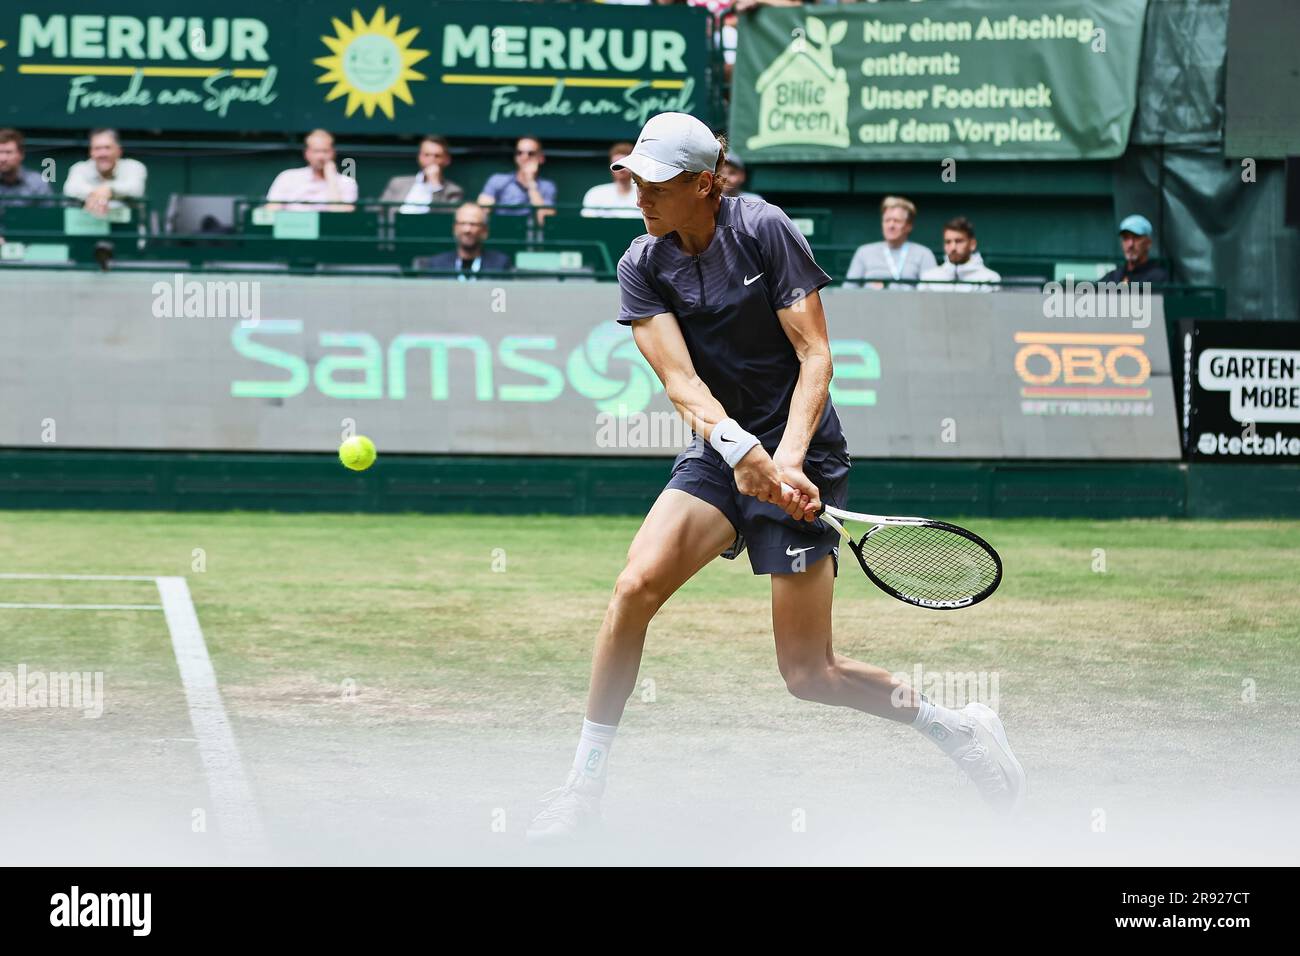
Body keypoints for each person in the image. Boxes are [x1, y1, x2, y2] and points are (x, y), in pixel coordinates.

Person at [526, 111, 1026, 844]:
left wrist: (786, 459)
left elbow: (816, 354)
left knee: (808, 674)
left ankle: (958, 728)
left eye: (657, 183)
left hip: (804, 453)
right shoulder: (641, 261)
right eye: (634, 179)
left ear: (705, 184)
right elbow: (681, 384)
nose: (640, 195)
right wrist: (741, 455)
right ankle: (582, 788)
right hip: (718, 452)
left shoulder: (763, 229)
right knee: (633, 588)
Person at [845, 196, 937, 289]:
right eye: (887, 220)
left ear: (908, 226)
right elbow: (847, 290)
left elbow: (931, 292)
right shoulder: (863, 252)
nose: (891, 225)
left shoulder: (924, 254)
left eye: (897, 221)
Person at [411, 202, 511, 279]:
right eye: (462, 223)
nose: (467, 230)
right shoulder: (437, 265)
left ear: (484, 231)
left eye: (473, 224)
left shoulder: (500, 264)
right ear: (455, 228)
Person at [265, 129, 357, 212]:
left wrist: (331, 178)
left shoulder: (347, 182)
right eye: (316, 151)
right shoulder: (287, 177)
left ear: (333, 152)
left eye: (325, 151)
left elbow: (342, 217)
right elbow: (271, 211)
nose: (320, 156)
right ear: (306, 153)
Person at [62, 129, 147, 217]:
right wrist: (96, 192)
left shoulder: (134, 166)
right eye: (97, 148)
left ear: (119, 151)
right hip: (88, 227)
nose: (103, 154)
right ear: (91, 152)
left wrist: (110, 190)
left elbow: (136, 188)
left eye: (107, 148)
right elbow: (70, 189)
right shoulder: (79, 168)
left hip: (128, 228)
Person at [477, 136, 557, 223]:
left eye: (531, 153)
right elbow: (481, 212)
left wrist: (530, 182)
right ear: (515, 157)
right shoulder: (497, 180)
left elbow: (544, 221)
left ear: (541, 158)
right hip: (502, 230)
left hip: (531, 233)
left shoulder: (547, 186)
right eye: (519, 153)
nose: (524, 157)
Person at [380, 135, 464, 214]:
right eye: (427, 155)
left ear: (447, 160)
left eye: (437, 156)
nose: (431, 159)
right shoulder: (398, 183)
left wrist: (435, 186)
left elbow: (444, 219)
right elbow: (380, 211)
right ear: (419, 157)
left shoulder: (453, 191)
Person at [918, 217, 1001, 292]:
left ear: (972, 244)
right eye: (948, 242)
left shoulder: (990, 279)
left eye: (959, 241)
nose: (953, 247)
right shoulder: (928, 278)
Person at [1100, 214, 1169, 285]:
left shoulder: (1158, 277)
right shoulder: (1113, 276)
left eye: (1136, 237)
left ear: (1148, 243)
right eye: (1126, 238)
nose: (1130, 244)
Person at [580, 141, 641, 219]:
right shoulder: (595, 193)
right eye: (617, 165)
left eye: (624, 165)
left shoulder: (645, 193)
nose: (621, 170)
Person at [0, 129, 53, 204]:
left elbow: (48, 214)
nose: (3, 158)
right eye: (0, 152)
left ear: (21, 154)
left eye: (8, 152)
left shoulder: (38, 182)